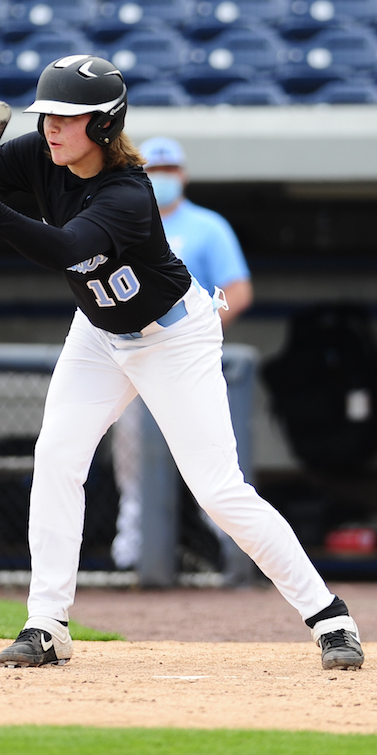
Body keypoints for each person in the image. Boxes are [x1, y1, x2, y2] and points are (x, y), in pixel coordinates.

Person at [0, 53, 363, 670]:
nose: (52, 127)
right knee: (56, 459)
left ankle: (329, 616)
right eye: (47, 114)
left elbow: (66, 247)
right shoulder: (39, 153)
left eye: (68, 117)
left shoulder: (127, 192)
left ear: (103, 124)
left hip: (173, 339)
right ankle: (45, 623)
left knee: (218, 490)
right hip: (98, 332)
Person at [109, 135, 254, 575]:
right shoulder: (123, 221)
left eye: (169, 170)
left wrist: (203, 326)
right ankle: (130, 553)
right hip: (136, 358)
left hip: (188, 364)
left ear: (183, 175)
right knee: (132, 466)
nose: (162, 177)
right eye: (154, 170)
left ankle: (231, 554)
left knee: (210, 467)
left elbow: (236, 291)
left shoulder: (207, 226)